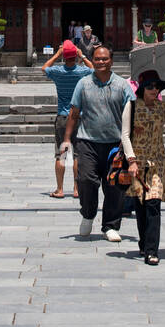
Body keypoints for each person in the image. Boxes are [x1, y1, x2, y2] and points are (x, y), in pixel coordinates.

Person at [60, 44, 134, 242]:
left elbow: (133, 112)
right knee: (86, 180)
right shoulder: (83, 84)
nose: (101, 62)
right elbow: (74, 114)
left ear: (112, 60)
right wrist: (67, 140)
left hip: (115, 144)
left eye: (105, 59)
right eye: (98, 59)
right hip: (88, 142)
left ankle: (110, 225)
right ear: (92, 60)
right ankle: (88, 213)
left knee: (114, 186)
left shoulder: (122, 85)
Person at [120, 69, 165, 265]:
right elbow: (125, 135)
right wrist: (131, 160)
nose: (154, 90)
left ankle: (152, 250)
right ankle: (144, 242)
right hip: (137, 164)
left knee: (154, 204)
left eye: (157, 87)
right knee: (141, 205)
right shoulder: (132, 106)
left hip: (158, 163)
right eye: (150, 86)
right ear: (142, 88)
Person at [42, 40, 90, 199]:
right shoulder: (81, 72)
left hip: (63, 116)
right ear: (75, 56)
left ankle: (60, 189)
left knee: (61, 153)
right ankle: (77, 189)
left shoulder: (58, 71)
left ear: (64, 56)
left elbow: (44, 68)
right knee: (77, 155)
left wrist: (57, 54)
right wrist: (81, 55)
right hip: (79, 116)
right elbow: (95, 68)